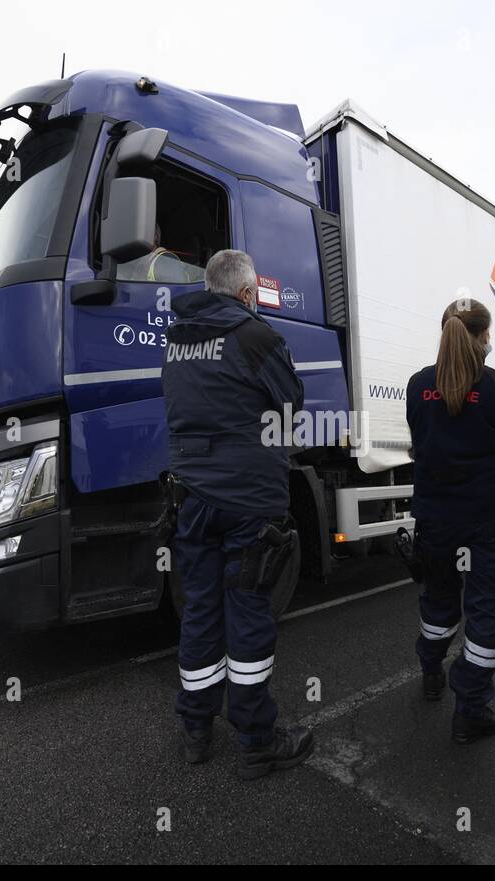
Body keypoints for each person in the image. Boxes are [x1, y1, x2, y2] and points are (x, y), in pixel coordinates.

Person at [161, 249, 314, 779]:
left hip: (192, 497)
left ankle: (196, 731)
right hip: (249, 498)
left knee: (201, 611)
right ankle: (256, 740)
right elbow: (291, 402)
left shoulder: (177, 340)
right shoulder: (258, 337)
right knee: (248, 612)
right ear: (248, 292)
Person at [405, 299, 495, 743]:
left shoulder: (418, 384)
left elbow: (422, 442)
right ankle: (470, 709)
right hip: (490, 516)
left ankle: (431, 671)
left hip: (437, 516)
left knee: (439, 601)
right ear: (482, 336)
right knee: (486, 610)